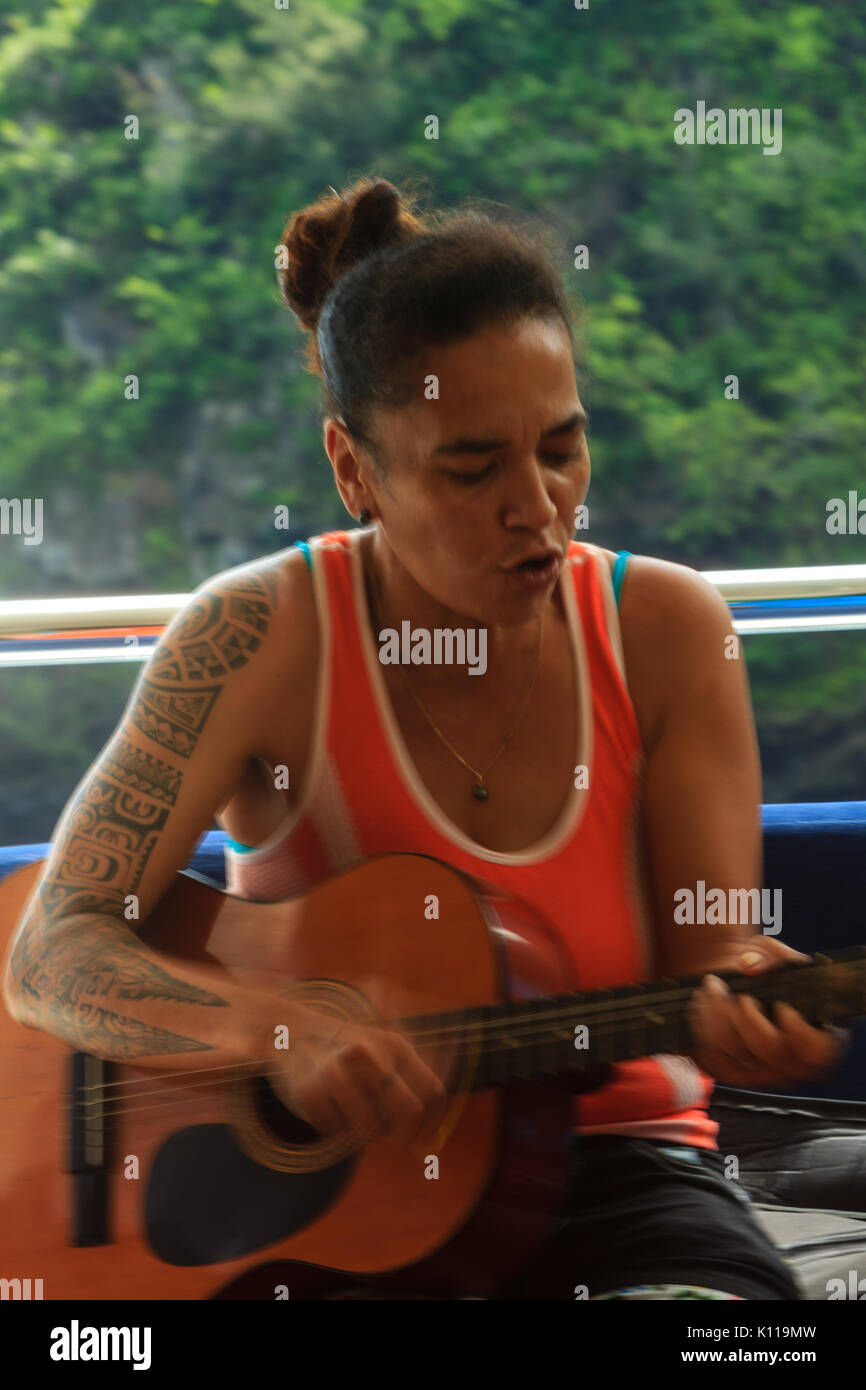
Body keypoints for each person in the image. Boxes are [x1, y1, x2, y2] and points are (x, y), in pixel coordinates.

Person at [3, 177, 845, 1301]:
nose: (539, 508)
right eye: (471, 465)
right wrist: (274, 1027)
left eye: (560, 448)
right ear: (354, 471)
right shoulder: (250, 635)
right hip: (324, 1219)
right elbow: (52, 950)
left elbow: (714, 955)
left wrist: (752, 1004)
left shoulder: (671, 631)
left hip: (619, 1177)